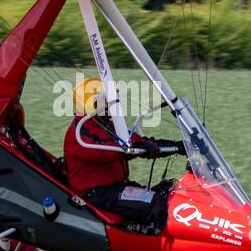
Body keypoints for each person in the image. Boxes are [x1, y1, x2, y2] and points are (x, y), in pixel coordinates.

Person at [62, 76, 182, 228]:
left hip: (116, 188)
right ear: (90, 104)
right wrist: (135, 148)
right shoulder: (79, 134)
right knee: (156, 205)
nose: (110, 103)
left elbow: (136, 141)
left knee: (166, 194)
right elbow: (104, 152)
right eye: (104, 100)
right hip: (98, 193)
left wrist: (177, 146)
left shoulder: (108, 125)